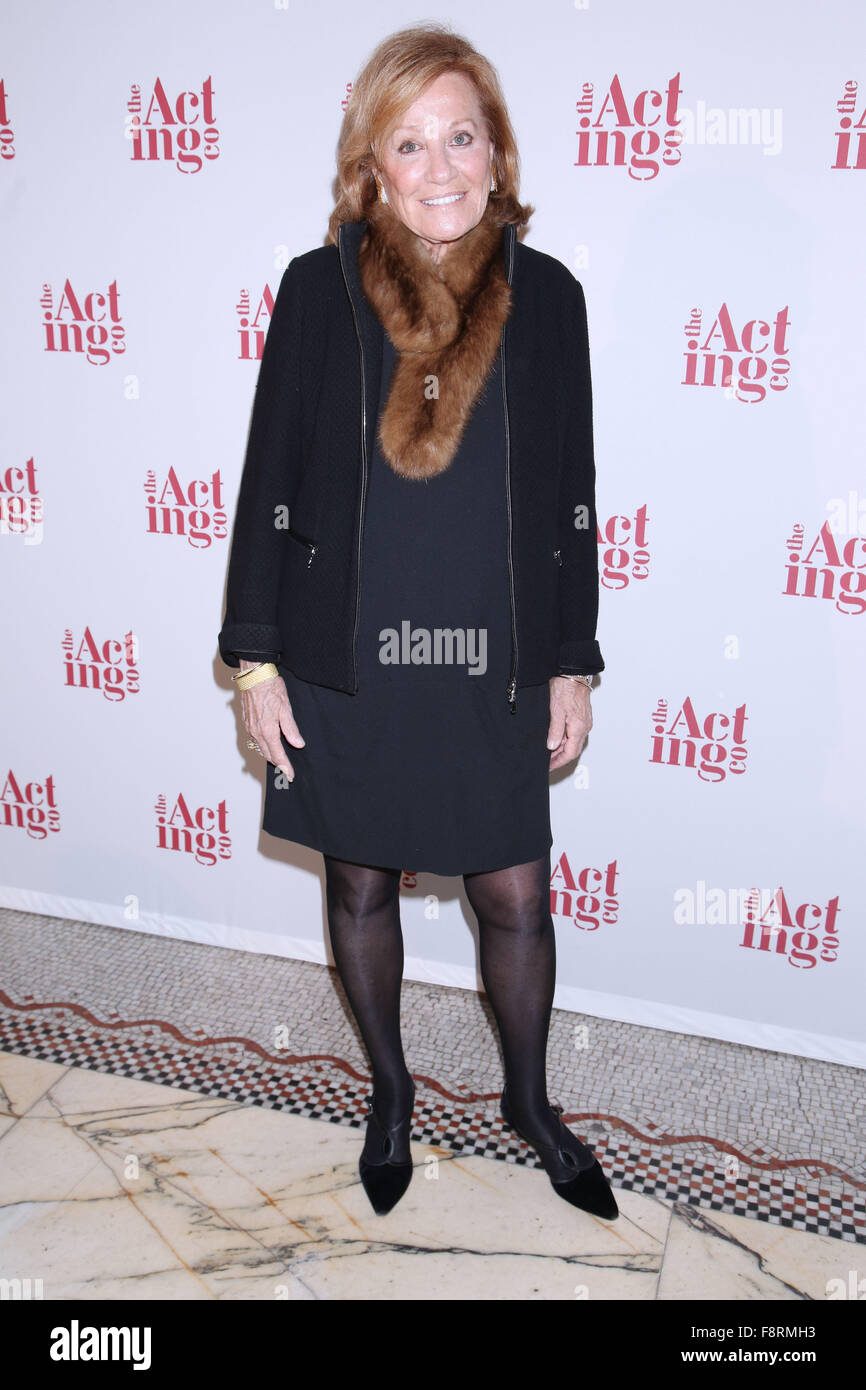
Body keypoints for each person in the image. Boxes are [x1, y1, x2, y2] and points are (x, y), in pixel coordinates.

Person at [217, 23, 617, 1222]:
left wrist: (571, 659)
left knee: (515, 899)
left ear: (496, 154)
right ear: (370, 163)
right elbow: (266, 476)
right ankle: (388, 1095)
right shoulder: (316, 286)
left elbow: (569, 492)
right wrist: (254, 662)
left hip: (490, 664)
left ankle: (528, 1100)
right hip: (348, 659)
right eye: (408, 142)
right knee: (359, 890)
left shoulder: (548, 299)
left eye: (461, 135)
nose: (438, 165)